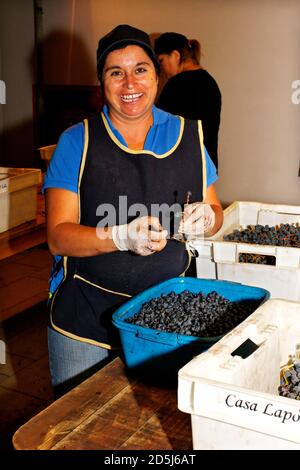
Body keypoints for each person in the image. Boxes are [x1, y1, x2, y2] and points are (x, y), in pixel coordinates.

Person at [43, 24, 223, 397]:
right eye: (116, 72)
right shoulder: (78, 141)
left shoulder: (189, 136)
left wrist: (208, 218)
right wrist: (120, 236)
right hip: (87, 320)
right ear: (101, 81)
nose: (130, 83)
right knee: (78, 430)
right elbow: (58, 236)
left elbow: (215, 208)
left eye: (140, 69)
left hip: (167, 318)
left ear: (156, 76)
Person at [154, 32, 221, 170]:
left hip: (183, 168)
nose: (161, 69)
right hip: (207, 167)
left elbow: (155, 126)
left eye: (161, 61)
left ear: (176, 56)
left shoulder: (177, 84)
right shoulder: (210, 82)